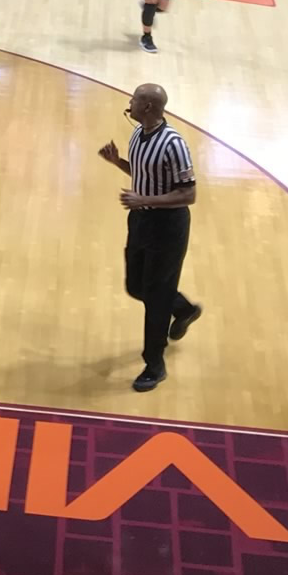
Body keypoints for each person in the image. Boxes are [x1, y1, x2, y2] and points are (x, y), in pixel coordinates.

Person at [95, 82, 200, 392]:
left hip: (168, 225)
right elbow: (145, 176)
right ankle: (182, 309)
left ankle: (155, 364)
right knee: (136, 286)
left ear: (149, 107)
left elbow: (189, 194)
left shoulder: (174, 144)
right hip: (140, 220)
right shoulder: (138, 135)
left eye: (134, 99)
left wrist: (145, 200)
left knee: (155, 299)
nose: (129, 102)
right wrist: (117, 163)